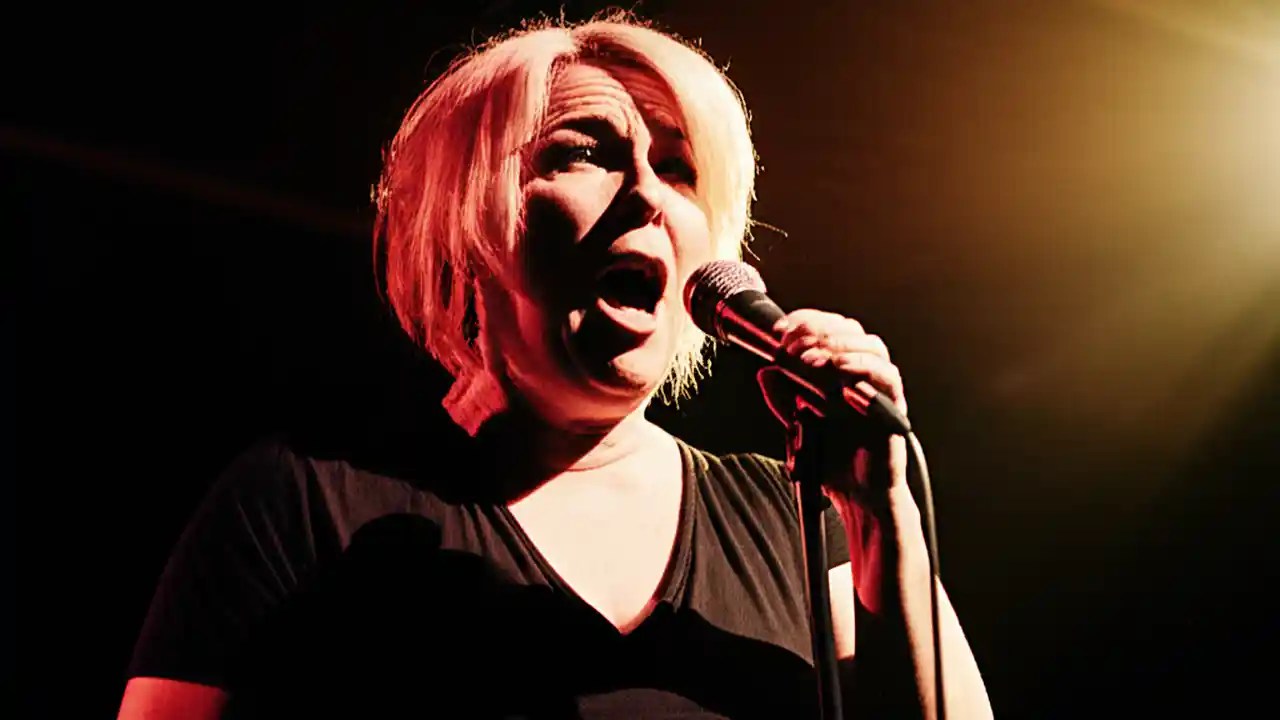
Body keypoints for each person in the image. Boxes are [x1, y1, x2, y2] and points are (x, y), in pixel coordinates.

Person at [118, 13, 993, 720]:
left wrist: (885, 520)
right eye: (583, 152)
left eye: (679, 169)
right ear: (468, 220)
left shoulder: (794, 518)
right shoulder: (305, 504)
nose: (647, 195)